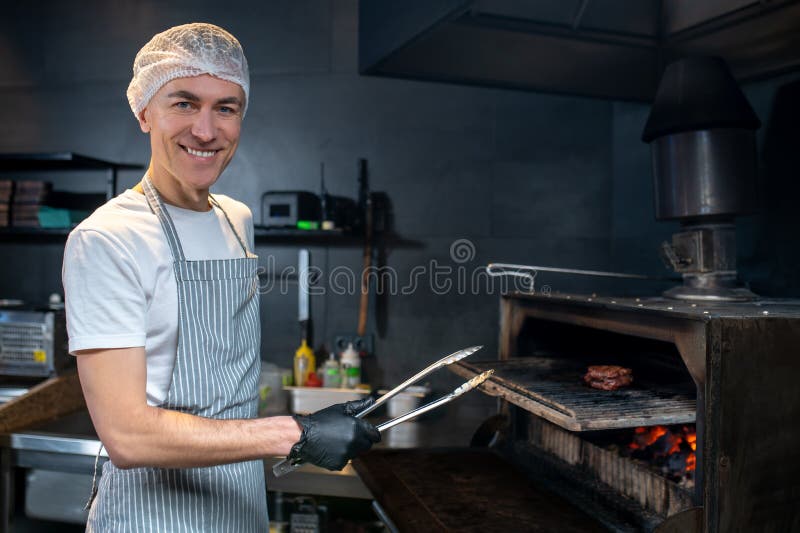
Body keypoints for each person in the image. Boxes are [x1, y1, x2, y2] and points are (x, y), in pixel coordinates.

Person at [62, 23, 380, 532]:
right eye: (184, 103)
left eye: (225, 108)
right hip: (152, 519)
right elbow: (127, 437)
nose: (206, 131)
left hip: (239, 509)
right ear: (145, 110)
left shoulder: (236, 219)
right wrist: (294, 433)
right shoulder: (107, 239)